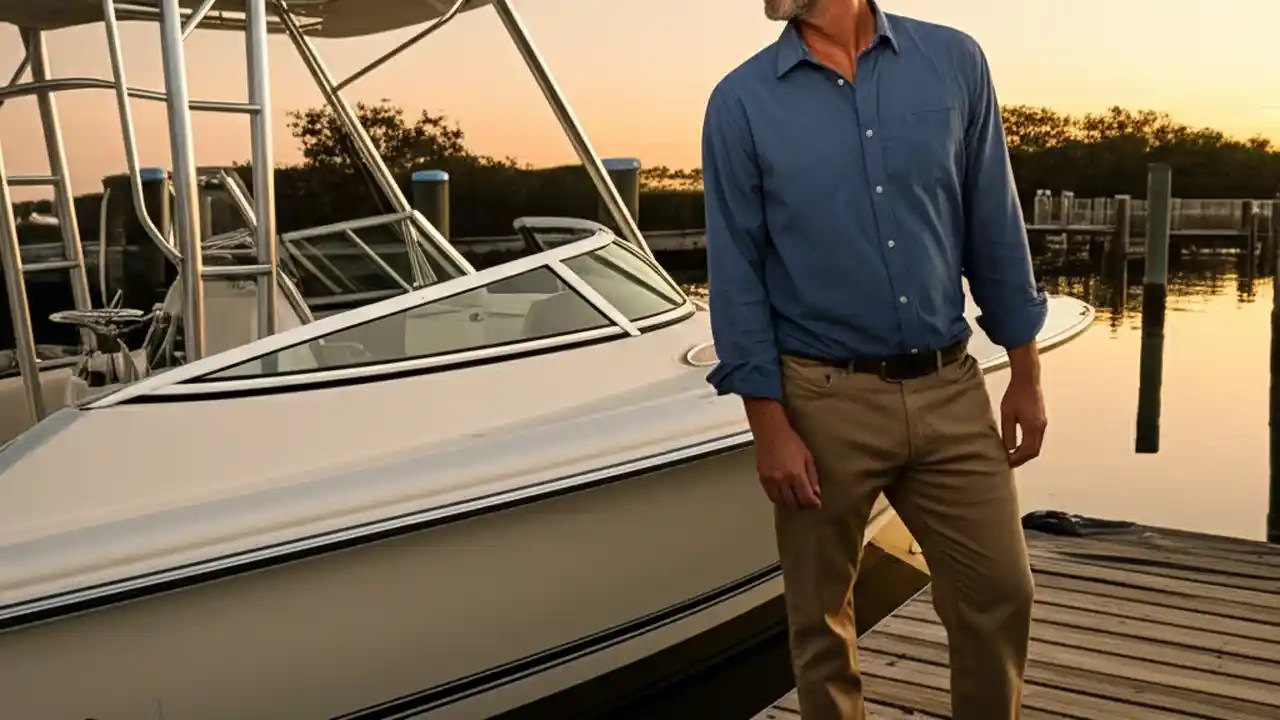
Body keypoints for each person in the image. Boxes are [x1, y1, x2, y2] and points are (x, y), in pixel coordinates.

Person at [700, 1, 1048, 719]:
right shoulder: (739, 103)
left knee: (1001, 592)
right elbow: (736, 277)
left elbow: (994, 222)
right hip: (820, 399)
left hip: (952, 387)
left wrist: (1026, 371)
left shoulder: (954, 64)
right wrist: (769, 424)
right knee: (820, 620)